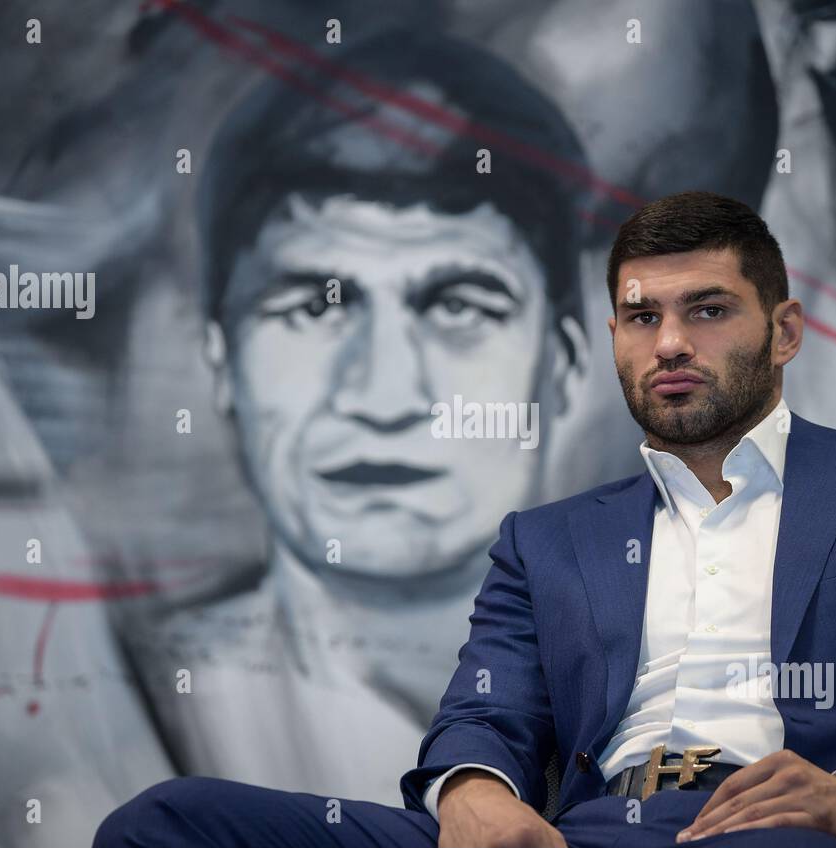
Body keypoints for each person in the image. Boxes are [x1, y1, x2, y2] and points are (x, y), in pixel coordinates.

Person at [95, 191, 836, 848]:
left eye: (707, 309)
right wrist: (473, 791)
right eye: (641, 315)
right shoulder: (546, 540)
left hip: (787, 828)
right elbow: (485, 714)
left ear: (785, 330)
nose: (669, 342)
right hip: (577, 836)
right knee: (168, 825)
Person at [115, 29, 594, 804]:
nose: (382, 395)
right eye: (314, 305)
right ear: (219, 361)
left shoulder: (683, 691)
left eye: (457, 304)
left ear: (565, 366)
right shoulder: (120, 703)